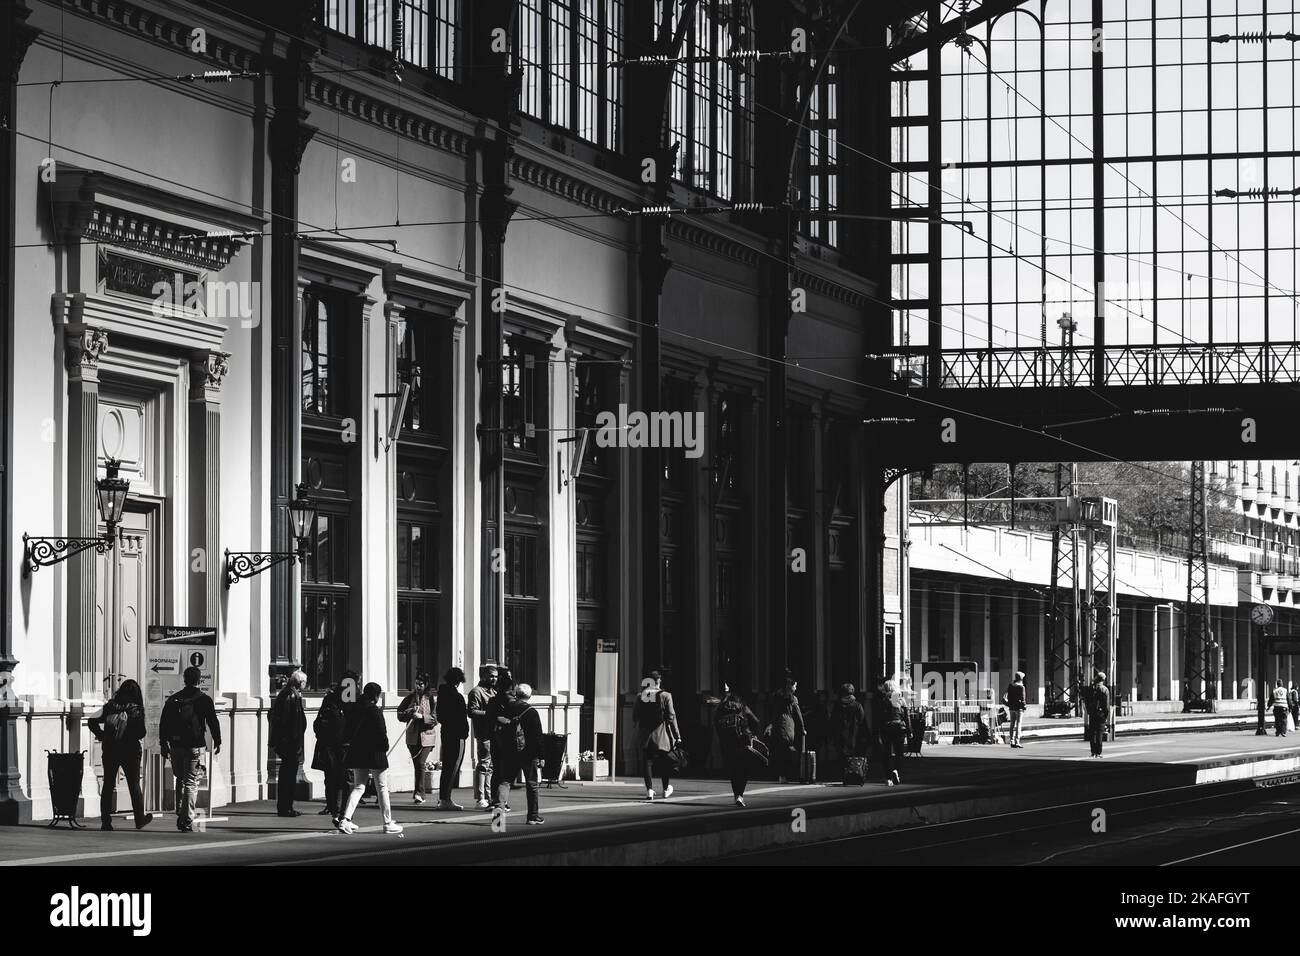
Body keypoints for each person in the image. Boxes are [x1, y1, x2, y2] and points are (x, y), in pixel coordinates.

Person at [158, 666, 222, 833]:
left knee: (180, 779)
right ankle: (186, 819)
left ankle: (181, 812)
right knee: (190, 783)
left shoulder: (173, 699)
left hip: (176, 746)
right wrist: (218, 740)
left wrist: (163, 744)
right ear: (199, 680)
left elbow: (163, 723)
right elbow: (213, 721)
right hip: (194, 745)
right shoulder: (204, 699)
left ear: (184, 679)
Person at [337, 682, 403, 834]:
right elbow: (381, 733)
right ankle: (387, 823)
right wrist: (384, 747)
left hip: (357, 752)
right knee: (382, 787)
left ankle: (345, 819)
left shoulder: (354, 709)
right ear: (376, 696)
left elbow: (348, 730)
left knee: (359, 786)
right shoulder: (374, 711)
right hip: (375, 753)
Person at [87, 679, 152, 831]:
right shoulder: (136, 710)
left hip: (110, 749)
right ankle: (139, 819)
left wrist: (102, 735)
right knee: (134, 784)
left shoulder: (109, 707)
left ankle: (106, 822)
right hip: (130, 750)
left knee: (108, 784)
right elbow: (141, 733)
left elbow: (91, 721)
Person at [491, 682, 545, 825]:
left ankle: (498, 816)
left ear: (516, 694)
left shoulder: (508, 707)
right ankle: (533, 816)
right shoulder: (532, 712)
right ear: (529, 695)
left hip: (509, 750)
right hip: (528, 753)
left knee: (505, 782)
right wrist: (540, 755)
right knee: (532, 784)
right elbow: (537, 736)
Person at [633, 670, 682, 801]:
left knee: (647, 762)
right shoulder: (666, 695)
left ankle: (649, 790)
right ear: (659, 681)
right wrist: (677, 735)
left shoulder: (640, 696)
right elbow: (672, 717)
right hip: (661, 735)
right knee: (664, 762)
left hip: (645, 735)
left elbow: (635, 716)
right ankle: (665, 789)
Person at [714, 685, 763, 807]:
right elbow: (755, 721)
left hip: (727, 742)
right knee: (744, 768)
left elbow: (716, 724)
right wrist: (752, 734)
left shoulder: (721, 707)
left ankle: (736, 795)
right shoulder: (742, 706)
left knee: (733, 769)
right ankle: (740, 795)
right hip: (743, 740)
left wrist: (722, 737)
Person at [269, 670, 308, 817]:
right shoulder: (290, 695)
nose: (305, 684)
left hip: (291, 742)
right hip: (291, 743)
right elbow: (287, 722)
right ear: (299, 682)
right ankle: (285, 807)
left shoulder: (291, 694)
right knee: (288, 775)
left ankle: (287, 806)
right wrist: (290, 740)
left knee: (289, 775)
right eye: (304, 682)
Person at [311, 681, 349, 824]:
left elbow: (316, 726)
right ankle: (340, 812)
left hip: (325, 749)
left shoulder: (325, 709)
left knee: (329, 780)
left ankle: (333, 809)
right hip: (338, 750)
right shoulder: (340, 711)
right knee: (341, 781)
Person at [397, 673, 437, 804]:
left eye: (421, 684)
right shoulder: (409, 698)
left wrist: (422, 717)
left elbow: (436, 718)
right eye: (416, 683)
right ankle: (419, 793)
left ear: (426, 685)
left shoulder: (431, 699)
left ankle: (419, 793)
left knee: (420, 763)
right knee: (417, 765)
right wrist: (409, 712)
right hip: (412, 737)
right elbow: (400, 714)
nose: (418, 686)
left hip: (427, 737)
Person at [435, 667, 469, 810]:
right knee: (453, 766)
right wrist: (464, 733)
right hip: (457, 734)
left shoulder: (442, 694)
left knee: (447, 766)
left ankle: (444, 798)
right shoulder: (457, 697)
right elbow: (462, 719)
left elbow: (440, 716)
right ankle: (445, 799)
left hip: (446, 732)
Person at [468, 665, 499, 809]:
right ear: (483, 676)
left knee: (491, 766)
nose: (494, 679)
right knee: (483, 765)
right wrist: (491, 715)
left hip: (494, 733)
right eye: (491, 676)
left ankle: (488, 796)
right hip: (484, 733)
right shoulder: (476, 692)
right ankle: (480, 798)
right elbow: (472, 711)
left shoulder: (494, 691)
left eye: (496, 676)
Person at [767, 671, 807, 784]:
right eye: (795, 685)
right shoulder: (793, 699)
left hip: (777, 726)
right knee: (787, 751)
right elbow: (798, 715)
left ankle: (781, 775)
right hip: (788, 726)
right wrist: (802, 728)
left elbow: (770, 710)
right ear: (790, 686)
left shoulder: (775, 697)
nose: (796, 687)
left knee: (779, 751)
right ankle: (785, 775)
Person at [825, 683, 866, 781]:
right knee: (853, 756)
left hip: (840, 734)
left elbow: (833, 720)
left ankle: (843, 775)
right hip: (853, 734)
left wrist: (831, 734)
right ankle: (853, 775)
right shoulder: (857, 705)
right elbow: (862, 719)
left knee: (841, 755)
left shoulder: (838, 705)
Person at [875, 679, 908, 786]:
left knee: (886, 754)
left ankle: (888, 778)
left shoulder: (883, 701)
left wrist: (879, 731)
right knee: (899, 753)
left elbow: (879, 718)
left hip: (886, 728)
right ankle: (896, 770)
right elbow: (907, 717)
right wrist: (909, 731)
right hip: (899, 729)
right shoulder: (902, 700)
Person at [1083, 671, 1111, 757]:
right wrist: (1106, 714)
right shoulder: (1105, 689)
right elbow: (1106, 704)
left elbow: (1086, 701)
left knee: (1093, 733)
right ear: (1103, 680)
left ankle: (1093, 752)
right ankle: (1098, 752)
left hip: (1092, 713)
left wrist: (1089, 711)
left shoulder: (1091, 689)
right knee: (1099, 733)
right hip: (1101, 714)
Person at [1005, 671, 1028, 748]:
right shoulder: (1022, 687)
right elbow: (1023, 699)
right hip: (1019, 708)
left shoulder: (1010, 686)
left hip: (1011, 707)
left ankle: (1011, 741)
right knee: (1018, 724)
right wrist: (1024, 706)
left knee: (1012, 724)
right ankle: (1017, 741)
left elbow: (1008, 696)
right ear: (1021, 678)